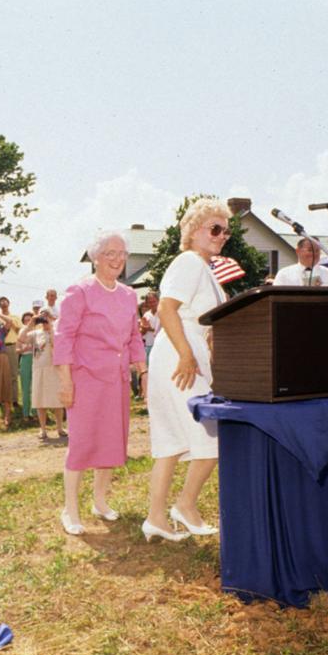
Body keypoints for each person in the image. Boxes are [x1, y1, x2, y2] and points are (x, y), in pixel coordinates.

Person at [144, 198, 229, 543]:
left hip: (184, 351)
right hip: (179, 353)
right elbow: (166, 309)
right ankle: (185, 506)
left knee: (172, 443)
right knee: (211, 438)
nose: (222, 235)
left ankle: (156, 518)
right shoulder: (190, 262)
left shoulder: (204, 268)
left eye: (225, 230)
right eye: (215, 228)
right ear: (194, 231)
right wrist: (186, 355)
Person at [54, 230, 146, 534]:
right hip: (85, 379)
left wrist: (142, 371)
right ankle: (70, 510)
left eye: (122, 254)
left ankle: (100, 501)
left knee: (110, 441)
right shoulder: (79, 291)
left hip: (117, 380)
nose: (117, 259)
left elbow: (134, 337)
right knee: (82, 443)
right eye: (110, 253)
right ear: (95, 258)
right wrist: (65, 381)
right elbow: (64, 337)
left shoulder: (129, 294)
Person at [273, 237, 328, 388]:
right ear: (298, 251)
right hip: (295, 334)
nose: (314, 254)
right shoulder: (284, 274)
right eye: (310, 250)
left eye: (317, 251)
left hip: (323, 333)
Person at [32, 313, 66, 441]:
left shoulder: (57, 332)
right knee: (40, 400)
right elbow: (21, 338)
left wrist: (52, 325)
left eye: (47, 318)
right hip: (39, 369)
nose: (45, 321)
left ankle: (60, 428)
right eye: (43, 318)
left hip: (54, 368)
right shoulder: (35, 333)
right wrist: (33, 322)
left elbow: (56, 344)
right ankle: (43, 429)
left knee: (57, 399)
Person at [0, 296, 22, 414]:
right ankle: (2, 399)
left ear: (9, 303)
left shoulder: (15, 317)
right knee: (1, 375)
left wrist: (10, 322)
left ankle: (14, 399)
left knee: (13, 374)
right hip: (0, 348)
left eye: (5, 301)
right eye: (1, 302)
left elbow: (18, 330)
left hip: (12, 346)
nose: (3, 303)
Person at [139, 291, 161, 401]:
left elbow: (162, 330)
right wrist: (143, 328)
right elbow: (142, 333)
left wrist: (149, 328)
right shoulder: (146, 315)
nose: (152, 303)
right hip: (148, 346)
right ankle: (150, 394)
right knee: (149, 371)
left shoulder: (162, 312)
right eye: (150, 302)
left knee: (159, 371)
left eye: (154, 301)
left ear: (158, 301)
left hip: (160, 347)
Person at [16, 311, 36, 419]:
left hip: (37, 360)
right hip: (25, 359)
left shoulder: (38, 330)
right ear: (23, 321)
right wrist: (24, 349)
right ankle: (25, 413)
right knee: (25, 388)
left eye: (30, 319)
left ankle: (36, 412)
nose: (28, 321)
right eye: (26, 320)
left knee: (36, 387)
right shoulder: (22, 331)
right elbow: (17, 349)